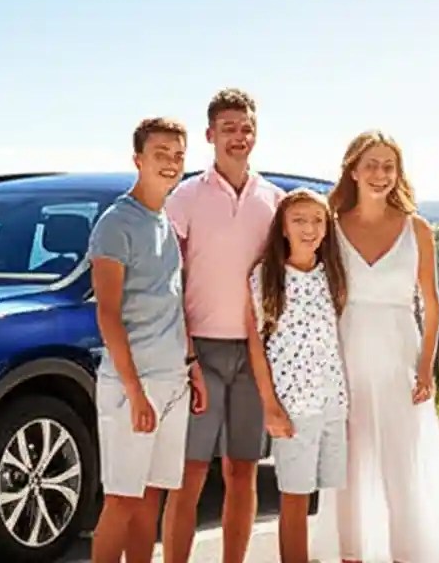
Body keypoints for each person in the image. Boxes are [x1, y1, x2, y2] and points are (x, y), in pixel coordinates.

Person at [310, 130, 439, 563]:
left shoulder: (418, 229)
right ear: (353, 170)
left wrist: (425, 367)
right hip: (348, 354)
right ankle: (351, 554)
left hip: (400, 356)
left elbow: (431, 305)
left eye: (388, 166)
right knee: (351, 465)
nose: (380, 174)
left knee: (402, 466)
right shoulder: (332, 227)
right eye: (371, 165)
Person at [162, 88, 284, 563]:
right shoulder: (185, 197)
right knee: (190, 473)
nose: (239, 137)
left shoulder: (273, 201)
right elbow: (169, 281)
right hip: (201, 354)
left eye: (247, 128)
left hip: (255, 358)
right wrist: (187, 352)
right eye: (229, 128)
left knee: (242, 472)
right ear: (211, 135)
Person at [89, 116, 208, 563]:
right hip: (130, 388)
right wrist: (136, 392)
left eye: (178, 156)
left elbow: (172, 303)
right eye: (161, 154)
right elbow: (107, 313)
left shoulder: (164, 224)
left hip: (172, 383)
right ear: (138, 159)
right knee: (121, 500)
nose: (172, 163)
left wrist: (191, 364)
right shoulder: (115, 223)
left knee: (151, 499)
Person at [244, 187, 349, 563]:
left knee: (334, 496)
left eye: (317, 221)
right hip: (293, 406)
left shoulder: (334, 275)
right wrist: (270, 406)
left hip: (333, 400)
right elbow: (256, 346)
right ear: (283, 228)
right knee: (295, 499)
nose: (309, 228)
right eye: (299, 220)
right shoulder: (266, 277)